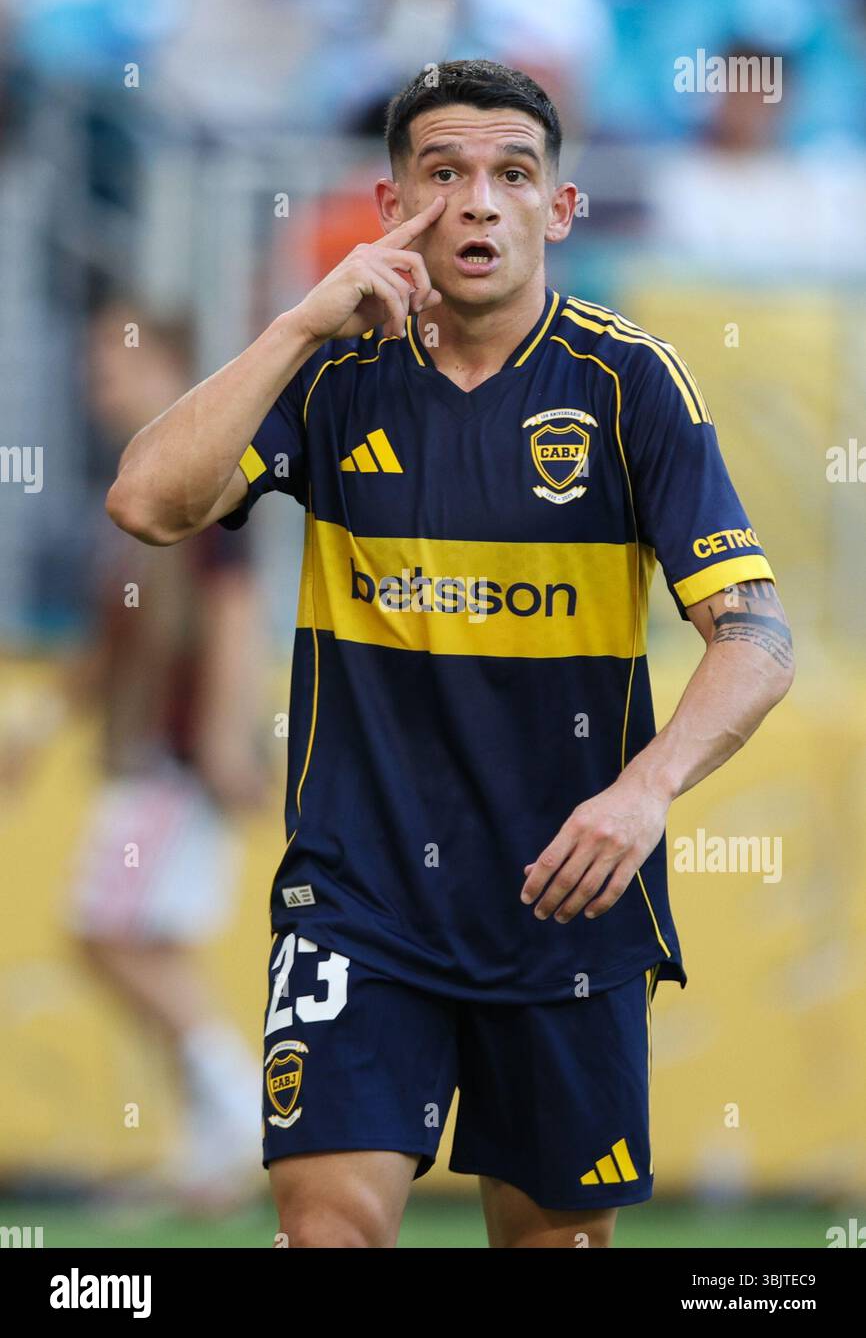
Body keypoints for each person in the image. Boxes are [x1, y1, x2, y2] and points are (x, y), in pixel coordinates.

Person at [105, 61, 795, 1248]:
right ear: (393, 208)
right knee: (328, 1231)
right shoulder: (331, 373)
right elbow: (146, 503)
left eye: (511, 175)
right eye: (443, 173)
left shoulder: (627, 385)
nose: (477, 200)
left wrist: (642, 793)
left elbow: (756, 638)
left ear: (558, 209)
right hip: (359, 901)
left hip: (564, 907)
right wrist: (296, 321)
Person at [6, 300, 271, 1211]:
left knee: (108, 935)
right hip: (154, 759)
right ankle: (210, 1149)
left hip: (175, 764)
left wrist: (223, 738)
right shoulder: (135, 486)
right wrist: (41, 724)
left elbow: (235, 604)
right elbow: (105, 642)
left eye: (113, 364)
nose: (97, 383)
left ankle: (243, 1108)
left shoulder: (201, 471)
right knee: (149, 942)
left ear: (164, 366)